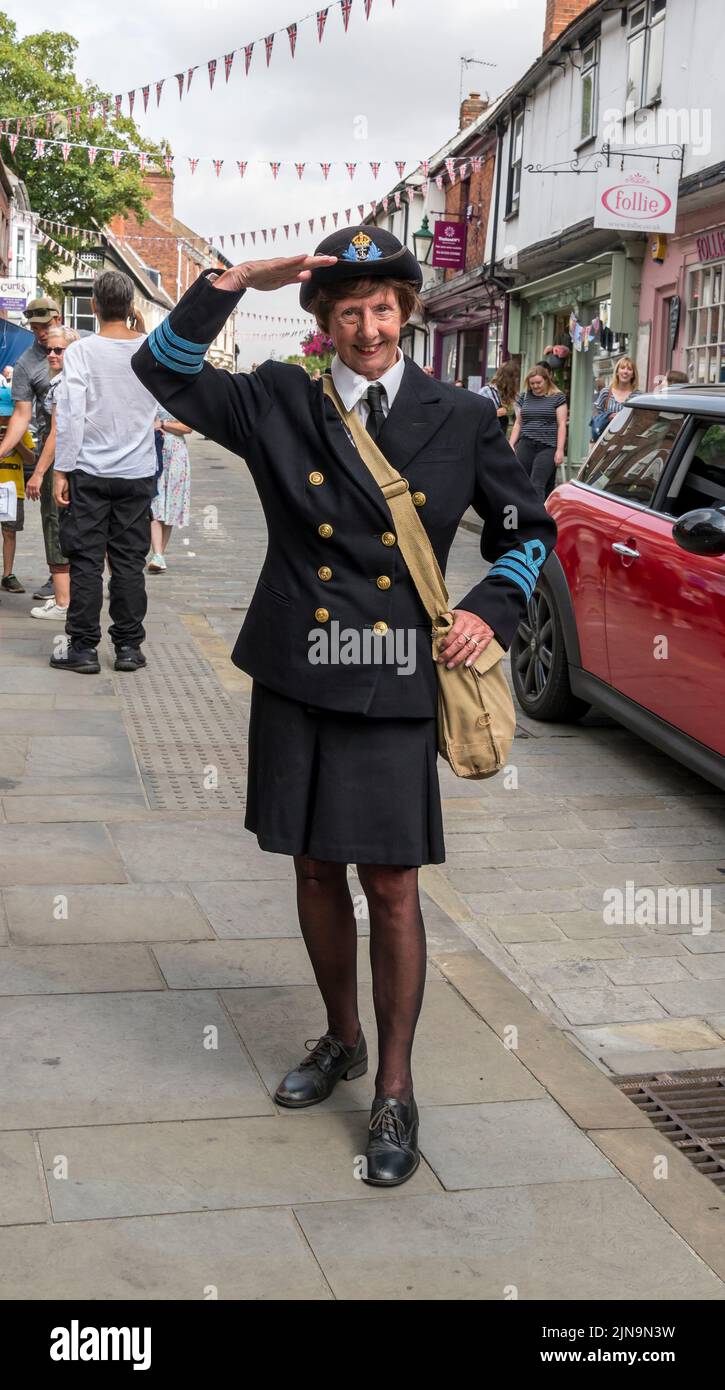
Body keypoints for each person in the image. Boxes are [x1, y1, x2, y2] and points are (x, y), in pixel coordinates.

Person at [132, 226, 557, 1187]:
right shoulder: (280, 398)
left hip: (397, 676)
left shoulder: (460, 415)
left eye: (383, 309)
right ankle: (340, 1038)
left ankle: (396, 1090)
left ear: (406, 314)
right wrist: (234, 281)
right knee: (316, 868)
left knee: (392, 886)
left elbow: (529, 527)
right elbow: (164, 370)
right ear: (321, 322)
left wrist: (489, 612)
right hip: (298, 669)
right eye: (348, 310)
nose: (368, 327)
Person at [52, 271, 157, 674]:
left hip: (90, 470)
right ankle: (129, 647)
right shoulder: (149, 351)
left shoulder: (81, 352)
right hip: (136, 471)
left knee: (86, 560)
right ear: (131, 307)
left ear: (94, 306)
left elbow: (73, 413)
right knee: (130, 561)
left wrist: (62, 468)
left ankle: (83, 647)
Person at [0, 295, 62, 599]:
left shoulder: (76, 348)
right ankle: (58, 579)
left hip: (89, 443)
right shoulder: (25, 362)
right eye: (35, 327)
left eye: (45, 325)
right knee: (52, 515)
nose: (40, 332)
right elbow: (22, 415)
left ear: (58, 319)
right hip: (51, 442)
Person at [25, 325, 80, 621]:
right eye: (49, 350)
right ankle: (69, 599)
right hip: (73, 466)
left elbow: (56, 434)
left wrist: (39, 472)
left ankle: (62, 602)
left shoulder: (63, 385)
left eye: (59, 350)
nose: (52, 355)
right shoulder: (76, 381)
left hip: (60, 465)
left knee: (54, 526)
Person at [509, 365, 568, 499]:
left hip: (548, 447)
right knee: (521, 482)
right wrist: (511, 444)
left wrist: (560, 450)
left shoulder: (557, 397)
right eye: (532, 383)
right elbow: (518, 423)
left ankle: (536, 518)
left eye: (538, 383)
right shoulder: (524, 397)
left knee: (537, 484)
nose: (535, 386)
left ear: (547, 380)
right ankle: (522, 515)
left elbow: (562, 425)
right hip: (526, 444)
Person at [147, 408, 192, 572]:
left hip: (176, 455)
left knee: (171, 504)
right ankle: (158, 554)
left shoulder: (181, 399)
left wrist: (163, 424)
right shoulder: (150, 393)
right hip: (154, 452)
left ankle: (159, 555)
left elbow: (187, 428)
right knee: (155, 502)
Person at [0, 384, 35, 594]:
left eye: (6, 415)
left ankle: (8, 573)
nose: (3, 420)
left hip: (13, 488)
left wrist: (16, 442)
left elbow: (31, 458)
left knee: (9, 531)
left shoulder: (21, 429)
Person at [591, 356, 638, 437]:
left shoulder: (637, 396)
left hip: (628, 441)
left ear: (633, 374)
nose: (625, 371)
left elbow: (641, 421)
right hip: (605, 441)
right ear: (617, 372)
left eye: (629, 369)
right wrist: (608, 417)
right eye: (622, 368)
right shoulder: (606, 392)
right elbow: (596, 418)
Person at [479, 360, 520, 434]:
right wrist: (495, 413)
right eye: (515, 378)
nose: (517, 381)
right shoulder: (486, 391)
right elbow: (476, 416)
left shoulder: (516, 395)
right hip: (492, 437)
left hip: (511, 440)